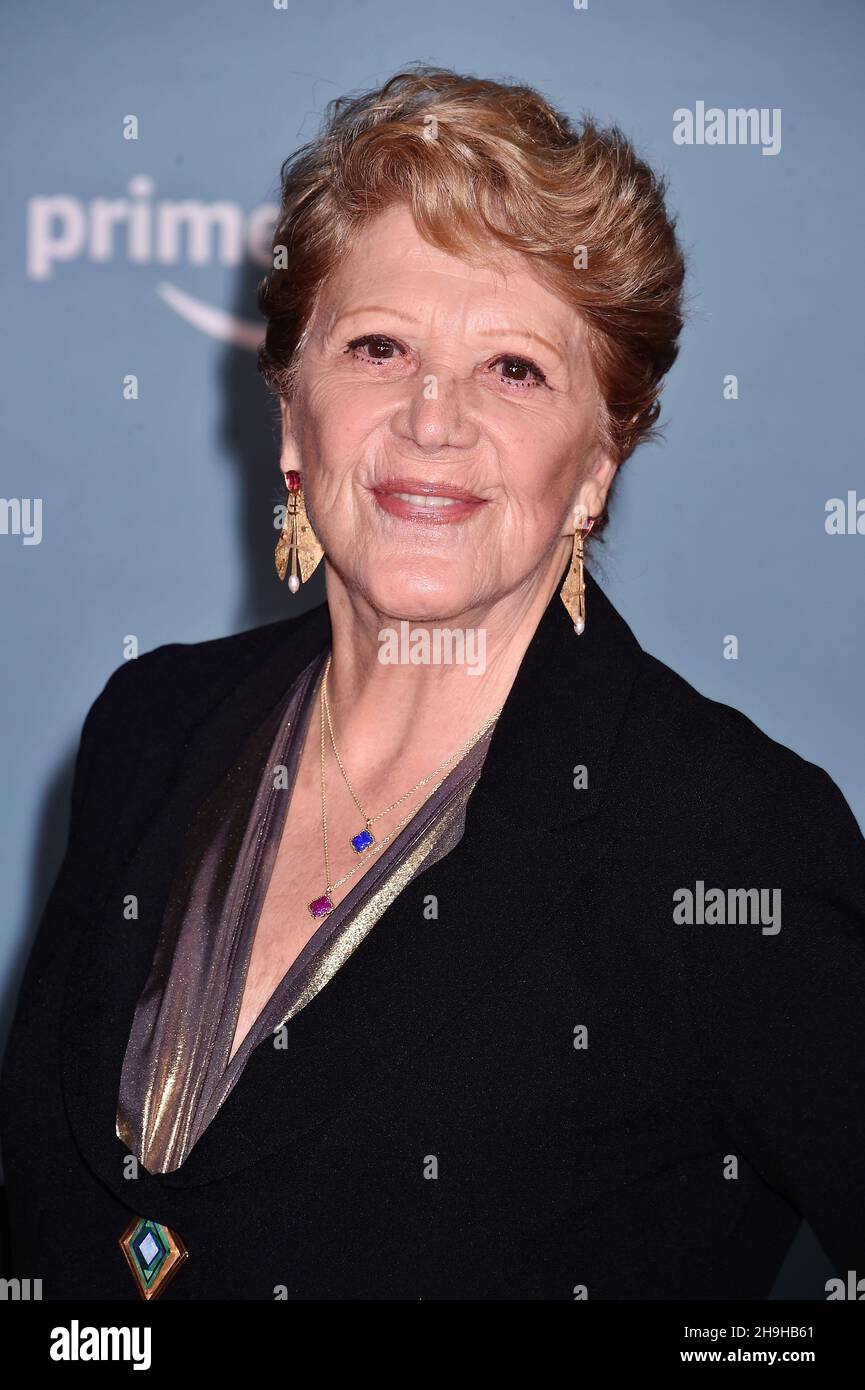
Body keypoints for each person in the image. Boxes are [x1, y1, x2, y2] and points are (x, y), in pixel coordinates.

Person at [2, 64, 863, 1301]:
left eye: (513, 369)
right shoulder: (149, 727)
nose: (430, 419)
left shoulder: (727, 834)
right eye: (379, 346)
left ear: (596, 465)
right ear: (290, 413)